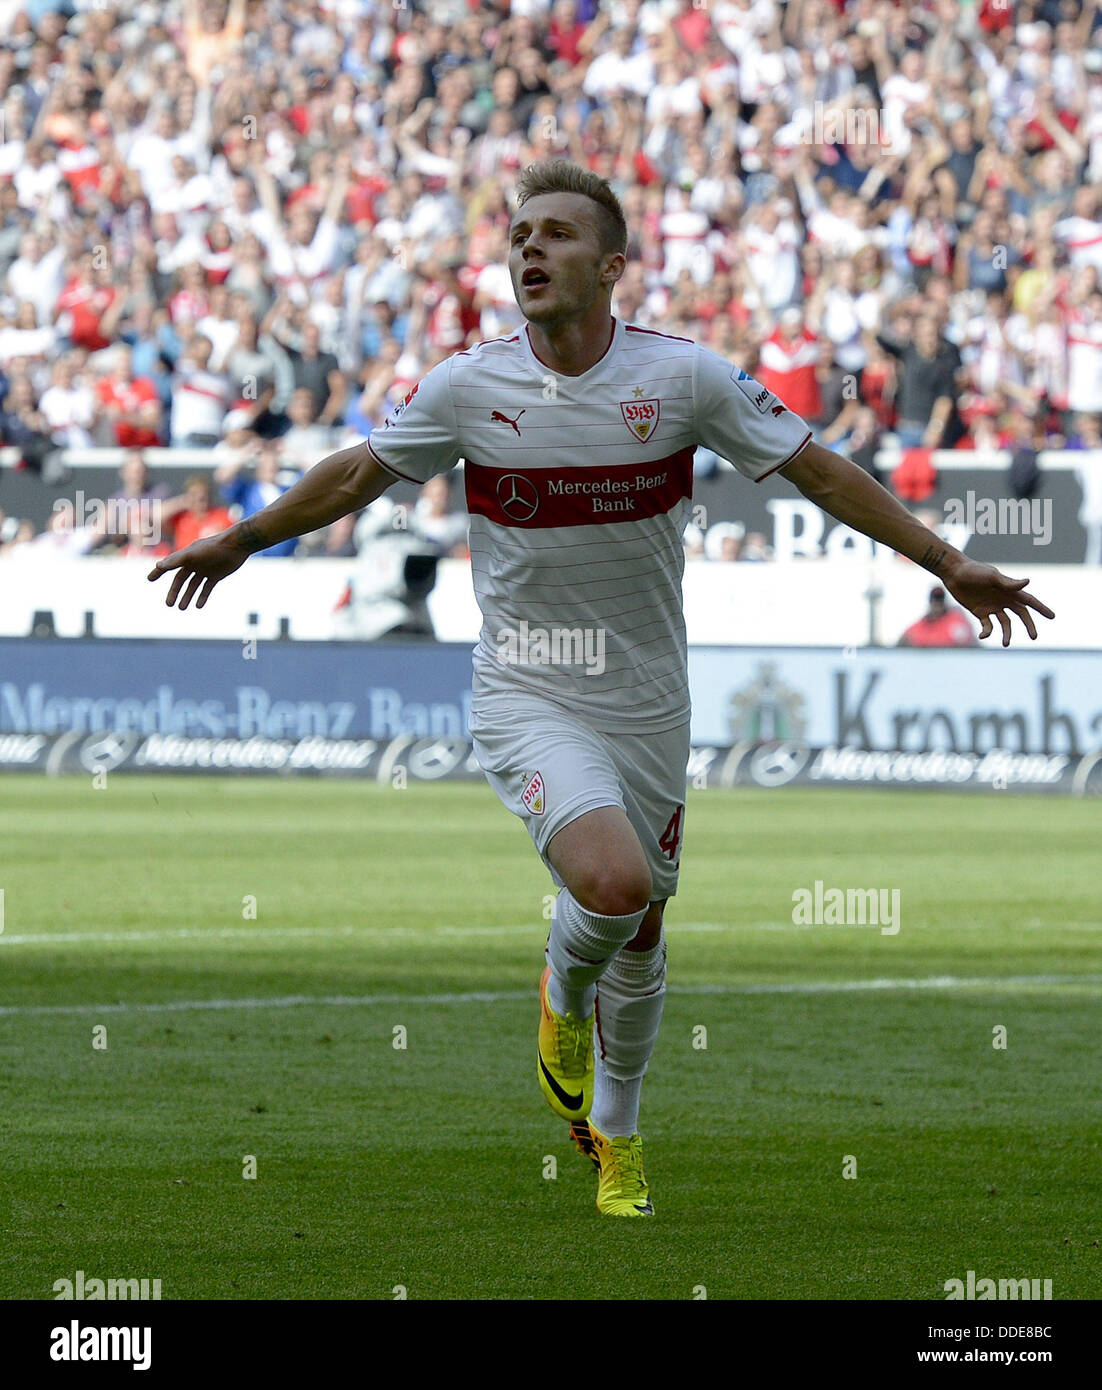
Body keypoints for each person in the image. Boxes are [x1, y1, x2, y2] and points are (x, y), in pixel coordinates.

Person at [148, 161, 1055, 1218]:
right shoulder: (467, 386)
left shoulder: (683, 379)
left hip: (649, 699)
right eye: (520, 232)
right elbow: (357, 473)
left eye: (559, 235)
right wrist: (244, 540)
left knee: (646, 926)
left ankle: (617, 1140)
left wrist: (948, 562)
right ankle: (556, 991)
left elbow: (818, 470)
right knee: (614, 888)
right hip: (527, 688)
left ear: (613, 266)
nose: (530, 249)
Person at [897, 586, 979, 647]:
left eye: (940, 602)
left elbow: (971, 642)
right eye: (935, 602)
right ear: (930, 603)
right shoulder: (921, 624)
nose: (937, 606)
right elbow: (903, 641)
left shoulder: (956, 619)